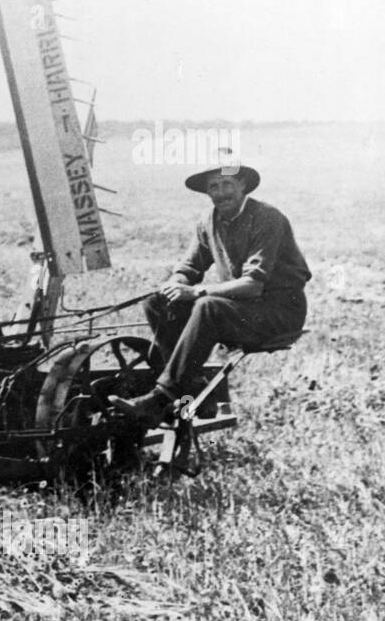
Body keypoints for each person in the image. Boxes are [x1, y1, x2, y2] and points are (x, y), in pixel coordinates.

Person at [113, 159, 310, 425]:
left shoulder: (267, 218)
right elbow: (190, 266)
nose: (221, 192)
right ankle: (194, 389)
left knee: (208, 307)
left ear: (242, 185)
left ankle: (161, 397)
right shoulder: (209, 220)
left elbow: (253, 285)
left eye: (227, 183)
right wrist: (176, 282)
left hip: (278, 311)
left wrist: (196, 291)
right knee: (156, 302)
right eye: (214, 186)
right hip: (241, 308)